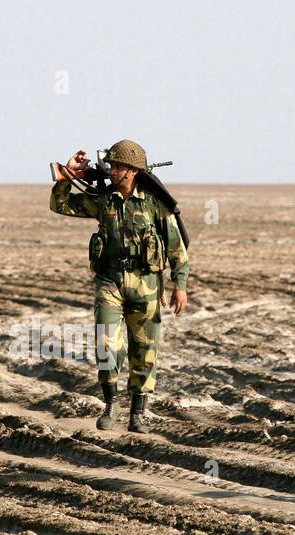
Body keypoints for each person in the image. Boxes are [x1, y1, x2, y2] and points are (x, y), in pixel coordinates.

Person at [49, 140, 189, 433]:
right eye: (111, 165)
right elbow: (60, 205)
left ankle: (138, 414)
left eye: (119, 166)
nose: (113, 171)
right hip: (110, 282)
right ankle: (111, 405)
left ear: (134, 170)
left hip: (147, 285)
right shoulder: (105, 199)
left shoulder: (155, 204)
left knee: (144, 349)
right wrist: (66, 177)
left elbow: (177, 248)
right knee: (106, 343)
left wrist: (180, 285)